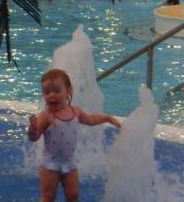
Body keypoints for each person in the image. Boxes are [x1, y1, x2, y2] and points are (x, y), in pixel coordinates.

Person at [28, 69, 121, 202]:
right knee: (48, 197)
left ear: (68, 91)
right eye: (47, 92)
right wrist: (32, 130)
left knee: (73, 195)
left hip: (69, 163)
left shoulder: (75, 111)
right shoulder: (46, 116)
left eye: (56, 91)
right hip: (50, 164)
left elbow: (90, 119)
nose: (51, 95)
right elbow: (34, 137)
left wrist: (107, 118)